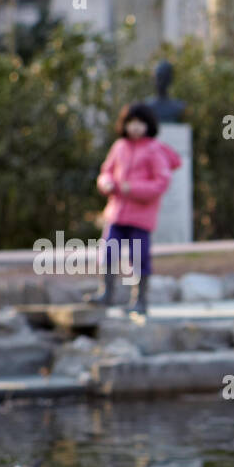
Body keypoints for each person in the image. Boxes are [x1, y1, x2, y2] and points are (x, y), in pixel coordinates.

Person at [93, 102, 182, 317]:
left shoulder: (153, 149)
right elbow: (106, 171)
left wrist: (131, 188)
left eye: (139, 122)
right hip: (116, 213)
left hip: (141, 216)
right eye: (131, 122)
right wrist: (106, 183)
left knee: (139, 257)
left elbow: (161, 182)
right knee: (108, 252)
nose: (135, 127)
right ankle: (106, 294)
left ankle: (139, 300)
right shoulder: (119, 147)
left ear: (148, 125)